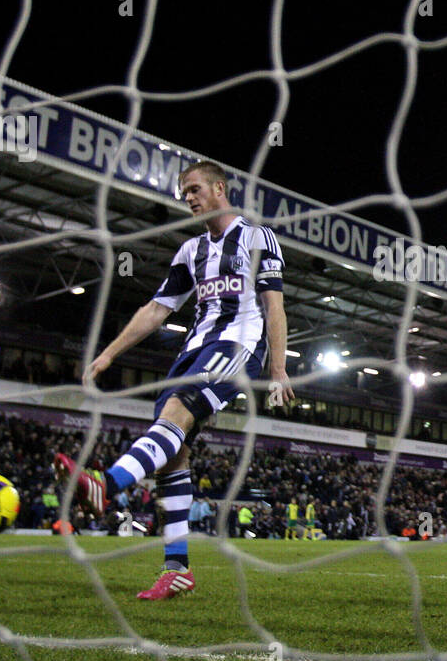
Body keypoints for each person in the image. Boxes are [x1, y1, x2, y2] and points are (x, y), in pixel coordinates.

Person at [54, 160, 294, 599]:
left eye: (195, 189)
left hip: (238, 346)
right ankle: (176, 568)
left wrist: (277, 368)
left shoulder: (256, 237)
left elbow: (273, 304)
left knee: (176, 413)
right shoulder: (190, 251)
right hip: (193, 350)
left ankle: (107, 484)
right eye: (185, 192)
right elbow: (157, 309)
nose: (189, 198)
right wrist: (108, 354)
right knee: (172, 451)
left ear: (220, 188)